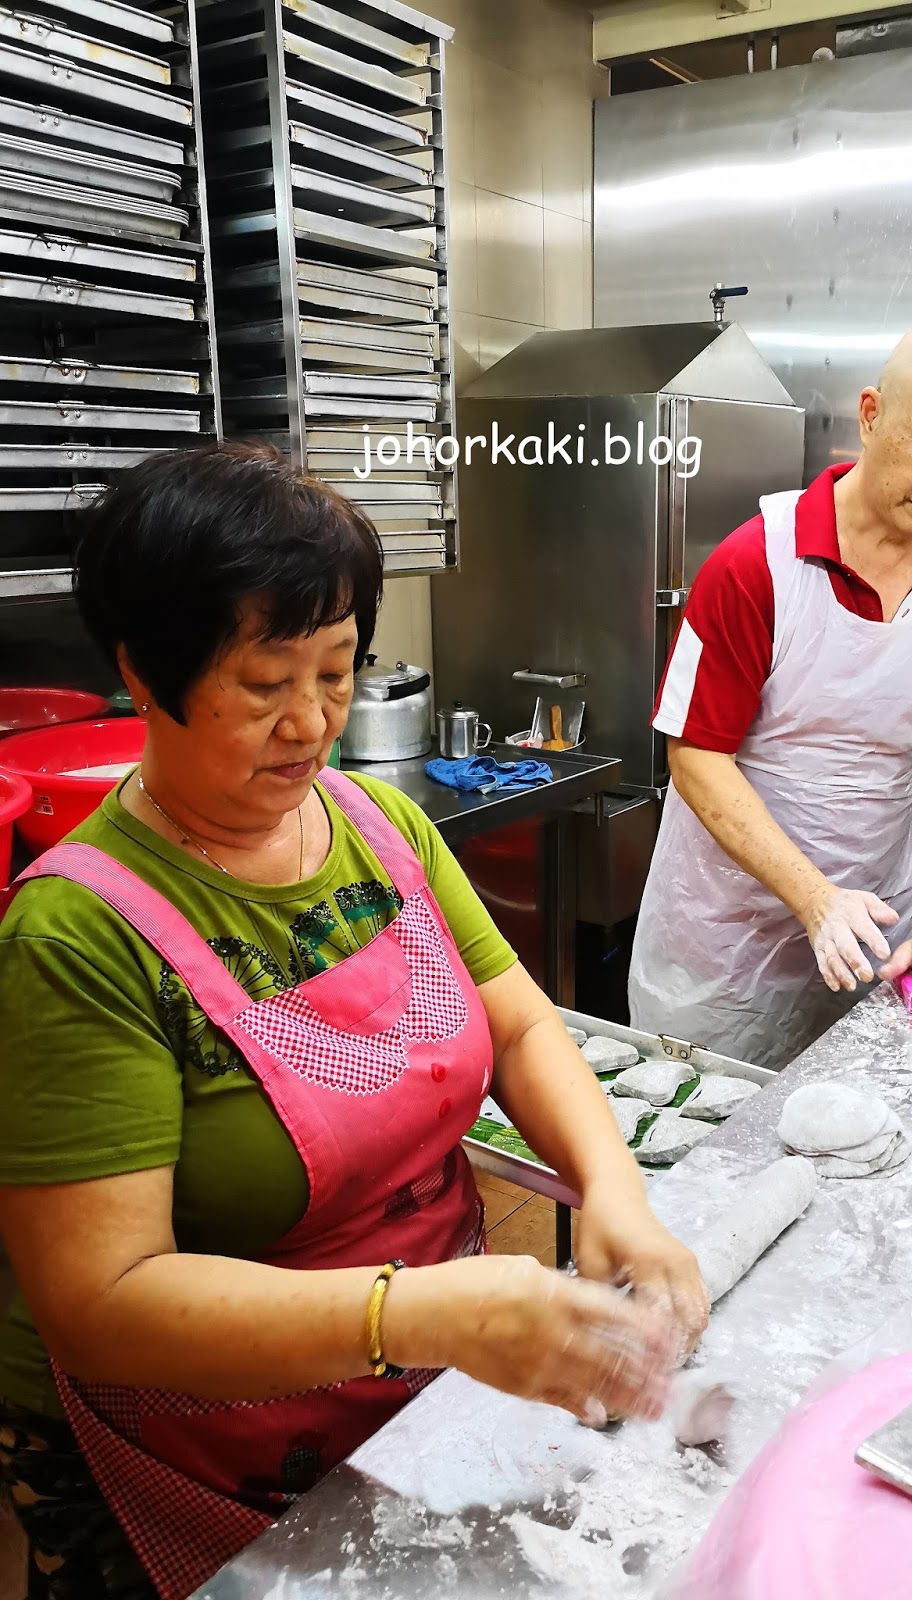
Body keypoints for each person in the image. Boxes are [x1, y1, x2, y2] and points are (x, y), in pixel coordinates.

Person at [0, 444, 706, 1600]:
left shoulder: (378, 827)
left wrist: (616, 1193)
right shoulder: (76, 937)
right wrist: (424, 1311)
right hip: (193, 1450)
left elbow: (523, 1032)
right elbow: (104, 1303)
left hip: (412, 1385)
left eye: (338, 673)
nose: (312, 724)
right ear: (142, 669)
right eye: (266, 685)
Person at [629, 316, 912, 1070]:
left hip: (876, 930)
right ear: (871, 416)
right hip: (726, 946)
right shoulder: (756, 564)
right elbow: (698, 759)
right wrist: (814, 899)